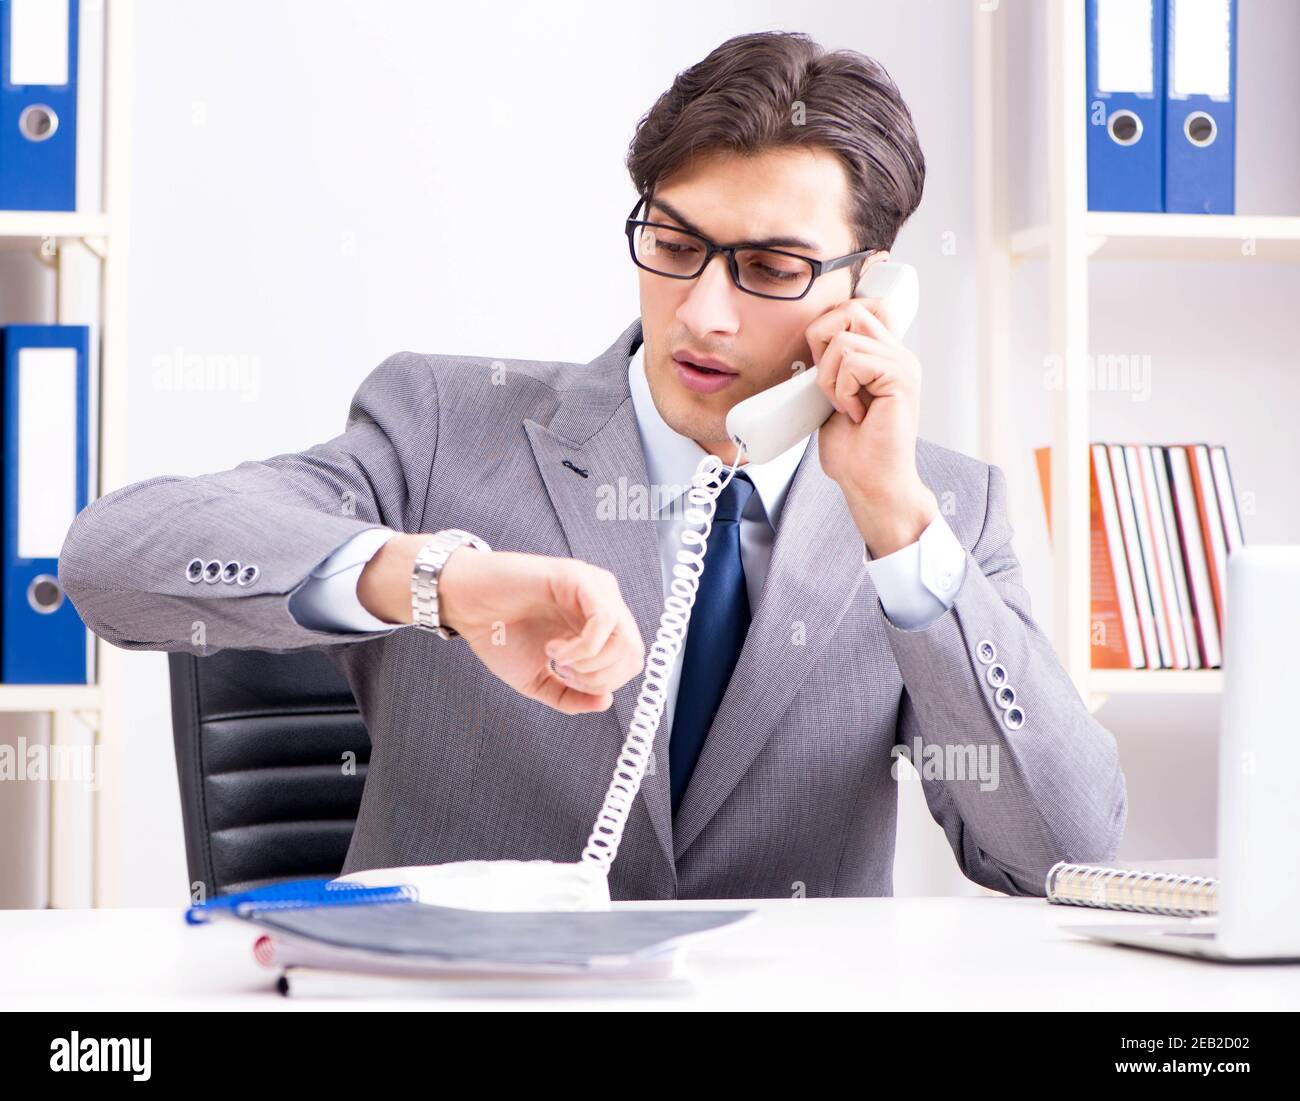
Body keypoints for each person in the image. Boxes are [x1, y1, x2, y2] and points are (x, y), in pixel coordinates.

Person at [60, 30, 1126, 902]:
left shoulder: (942, 513)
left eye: (769, 267)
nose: (702, 315)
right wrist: (436, 581)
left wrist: (896, 522)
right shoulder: (443, 424)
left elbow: (1061, 850)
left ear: (871, 292)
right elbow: (113, 560)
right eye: (675, 245)